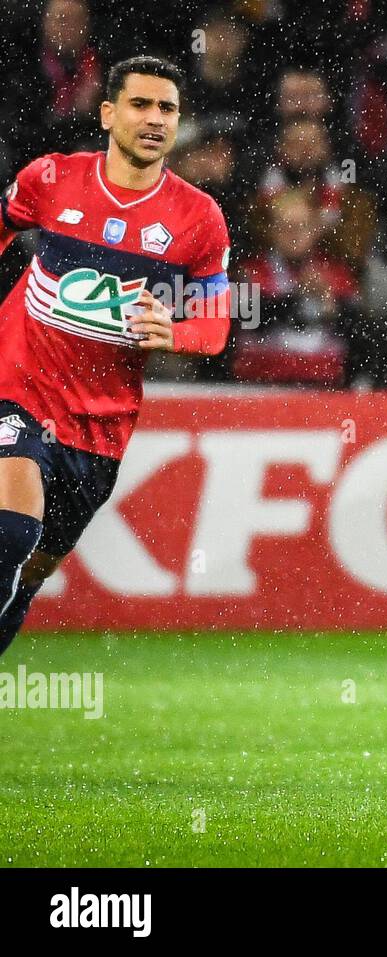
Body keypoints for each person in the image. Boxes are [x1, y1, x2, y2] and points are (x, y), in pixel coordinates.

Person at [0, 56, 232, 655]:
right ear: (108, 113)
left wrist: (175, 335)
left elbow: (215, 326)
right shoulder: (51, 178)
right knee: (9, 532)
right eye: (140, 104)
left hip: (99, 427)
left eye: (167, 109)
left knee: (31, 572)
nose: (154, 119)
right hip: (19, 385)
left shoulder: (198, 218)